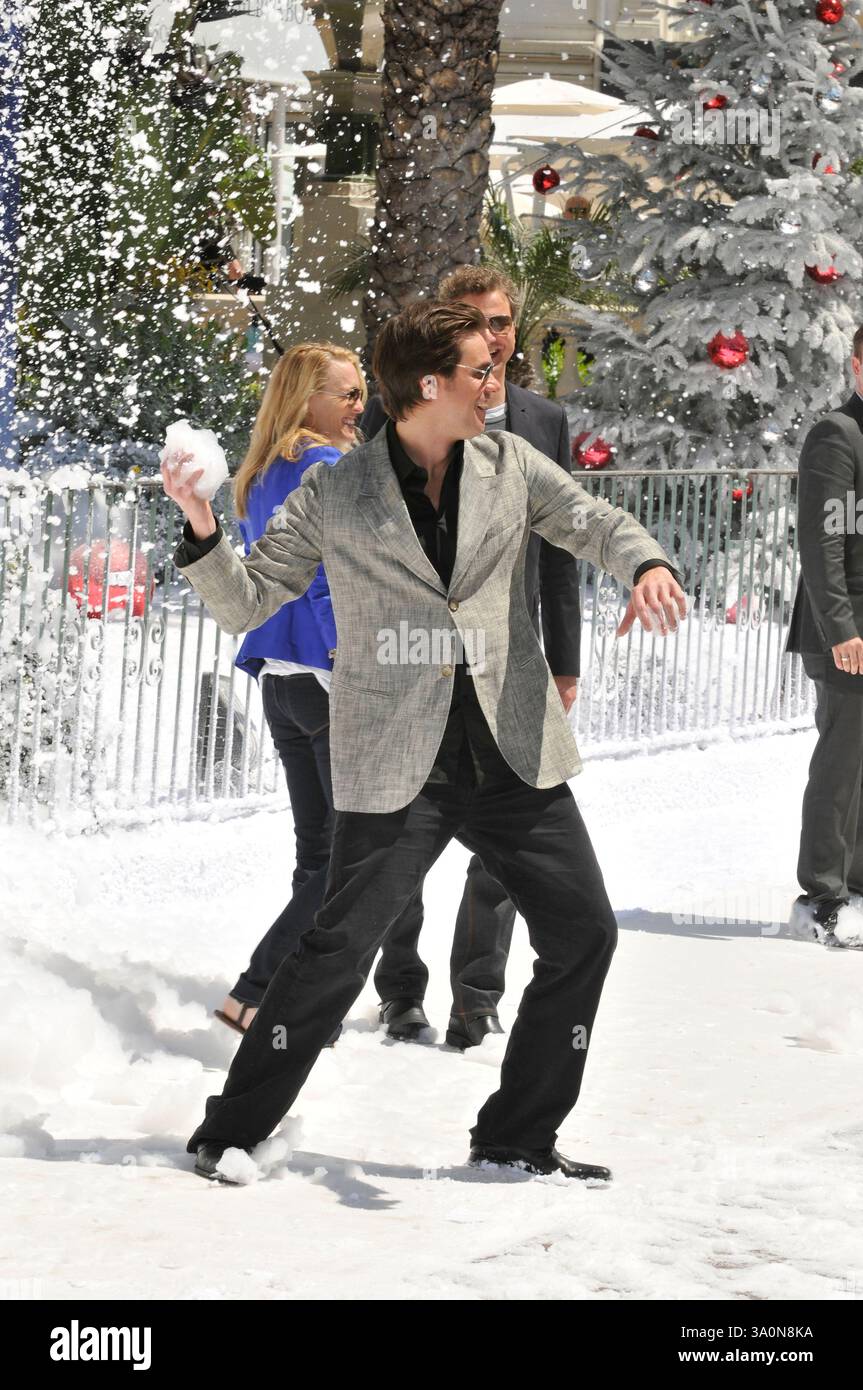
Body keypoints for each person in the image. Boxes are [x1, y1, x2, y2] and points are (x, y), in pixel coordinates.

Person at [163, 300, 686, 1185]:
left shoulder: (510, 462)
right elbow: (249, 601)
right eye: (482, 371)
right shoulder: (339, 490)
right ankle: (229, 1133)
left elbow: (593, 521)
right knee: (335, 949)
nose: (496, 386)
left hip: (510, 751)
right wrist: (202, 525)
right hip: (395, 760)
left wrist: (647, 563)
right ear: (429, 385)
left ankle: (516, 1137)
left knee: (583, 934)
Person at [362, 266, 582, 1048]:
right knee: (402, 841)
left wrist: (565, 658)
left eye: (503, 321)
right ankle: (399, 991)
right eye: (480, 323)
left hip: (507, 662)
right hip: (414, 664)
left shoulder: (540, 419)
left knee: (508, 851)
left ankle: (477, 997)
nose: (495, 336)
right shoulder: (409, 411)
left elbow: (561, 551)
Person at [210, 343, 365, 1036]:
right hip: (330, 679)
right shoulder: (329, 467)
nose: (360, 405)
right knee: (347, 865)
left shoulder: (261, 471)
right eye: (347, 393)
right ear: (308, 401)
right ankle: (260, 988)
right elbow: (331, 575)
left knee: (319, 857)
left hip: (281, 680)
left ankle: (296, 1004)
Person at [787, 325, 863, 949]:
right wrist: (841, 627)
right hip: (848, 634)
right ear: (857, 366)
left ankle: (855, 887)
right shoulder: (839, 435)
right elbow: (821, 540)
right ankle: (821, 898)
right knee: (841, 768)